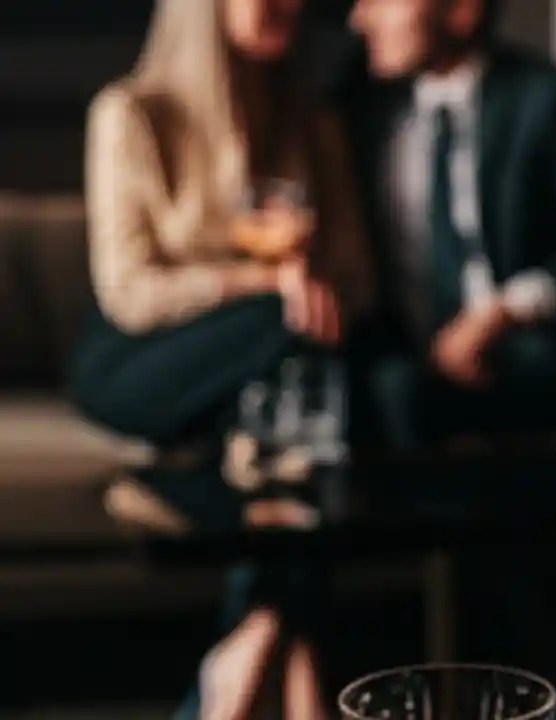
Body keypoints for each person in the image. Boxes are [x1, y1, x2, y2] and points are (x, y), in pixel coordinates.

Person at [72, 0, 371, 717]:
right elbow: (130, 293)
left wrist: (307, 288)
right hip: (145, 363)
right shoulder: (133, 112)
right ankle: (287, 659)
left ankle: (268, 648)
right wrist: (265, 282)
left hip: (270, 377)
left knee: (296, 396)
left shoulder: (313, 122)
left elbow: (356, 282)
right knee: (295, 349)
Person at [342, 0, 556, 489]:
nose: (360, 18)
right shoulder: (364, 116)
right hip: (416, 359)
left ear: (462, 10)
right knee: (388, 384)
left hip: (530, 348)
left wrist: (500, 313)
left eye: (384, 1)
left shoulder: (552, 97)